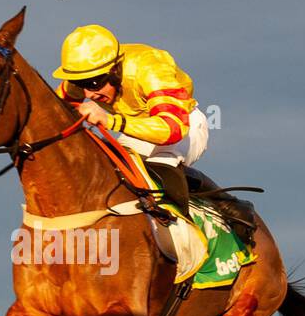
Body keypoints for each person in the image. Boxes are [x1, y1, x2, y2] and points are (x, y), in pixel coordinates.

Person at [53, 25, 207, 219]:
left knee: (157, 172)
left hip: (184, 126)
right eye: (81, 85)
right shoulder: (87, 76)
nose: (88, 94)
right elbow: (52, 114)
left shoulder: (149, 67)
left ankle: (212, 218)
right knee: (110, 172)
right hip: (135, 131)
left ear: (115, 70)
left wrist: (111, 121)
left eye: (94, 84)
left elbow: (171, 129)